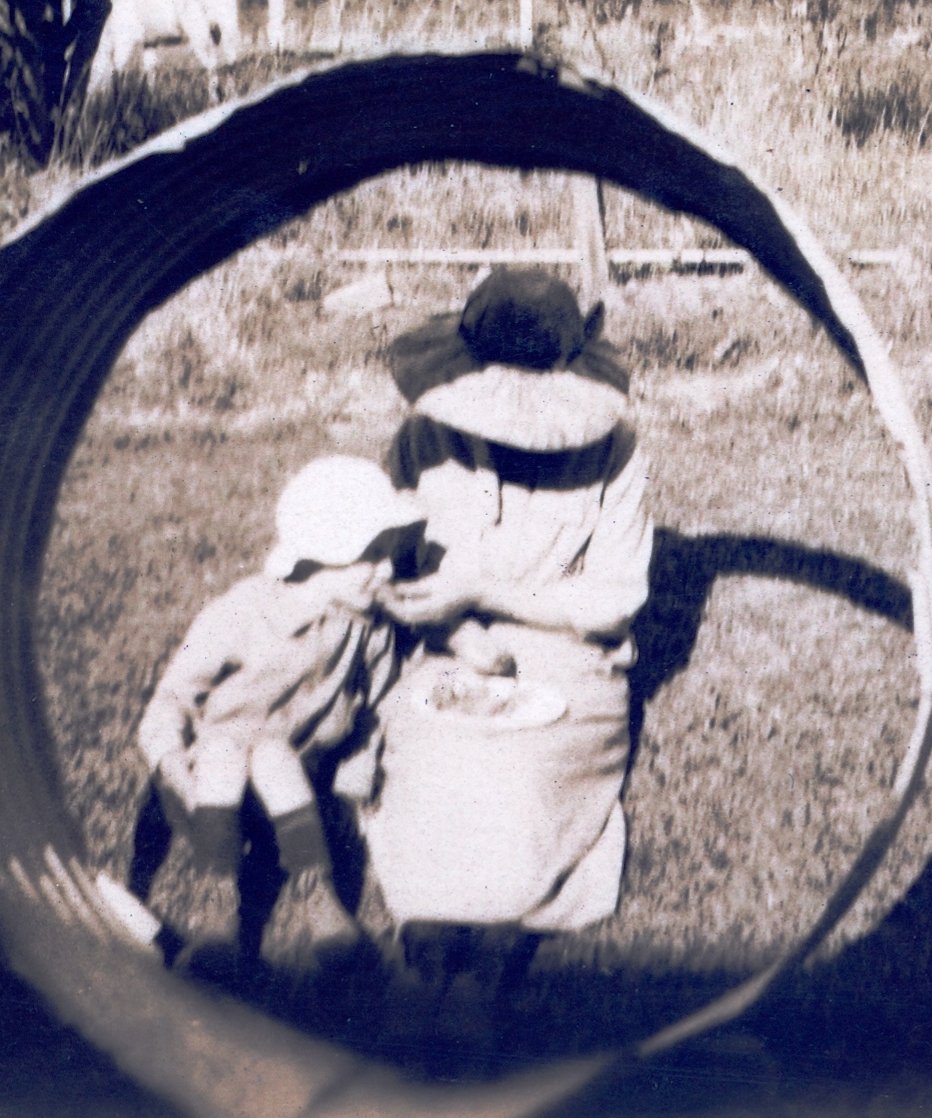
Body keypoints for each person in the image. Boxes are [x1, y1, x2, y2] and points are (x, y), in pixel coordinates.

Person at [358, 268, 654, 1048]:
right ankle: (425, 946)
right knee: (427, 759)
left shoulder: (617, 450)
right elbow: (394, 569)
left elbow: (612, 602)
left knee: (525, 775)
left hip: (569, 657)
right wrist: (445, 622)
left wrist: (485, 587)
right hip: (448, 650)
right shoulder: (422, 438)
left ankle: (493, 957)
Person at [127, 455, 424, 973]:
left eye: (389, 553)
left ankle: (322, 907)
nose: (387, 569)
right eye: (370, 556)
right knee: (232, 752)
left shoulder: (368, 628)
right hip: (211, 786)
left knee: (273, 757)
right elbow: (171, 698)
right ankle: (218, 911)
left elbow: (377, 709)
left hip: (292, 781)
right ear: (318, 557)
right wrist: (170, 762)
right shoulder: (243, 613)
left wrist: (356, 779)